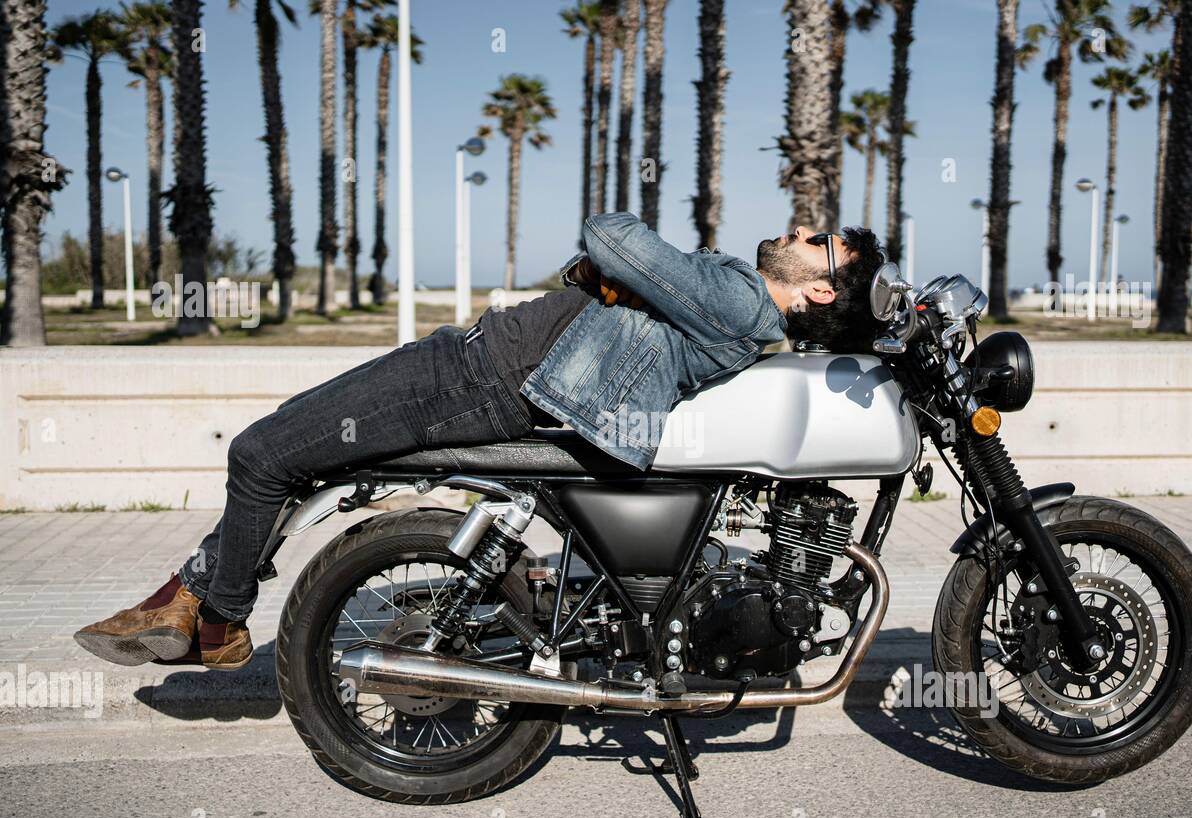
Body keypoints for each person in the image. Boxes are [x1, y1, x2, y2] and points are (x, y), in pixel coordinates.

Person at [74, 212, 884, 670]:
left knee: (260, 453)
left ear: (816, 289)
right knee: (285, 444)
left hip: (481, 380)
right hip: (474, 364)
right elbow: (619, 273)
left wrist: (619, 267)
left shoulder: (744, 302)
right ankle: (191, 598)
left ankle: (215, 622)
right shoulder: (735, 297)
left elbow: (611, 237)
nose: (804, 225)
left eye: (823, 244)